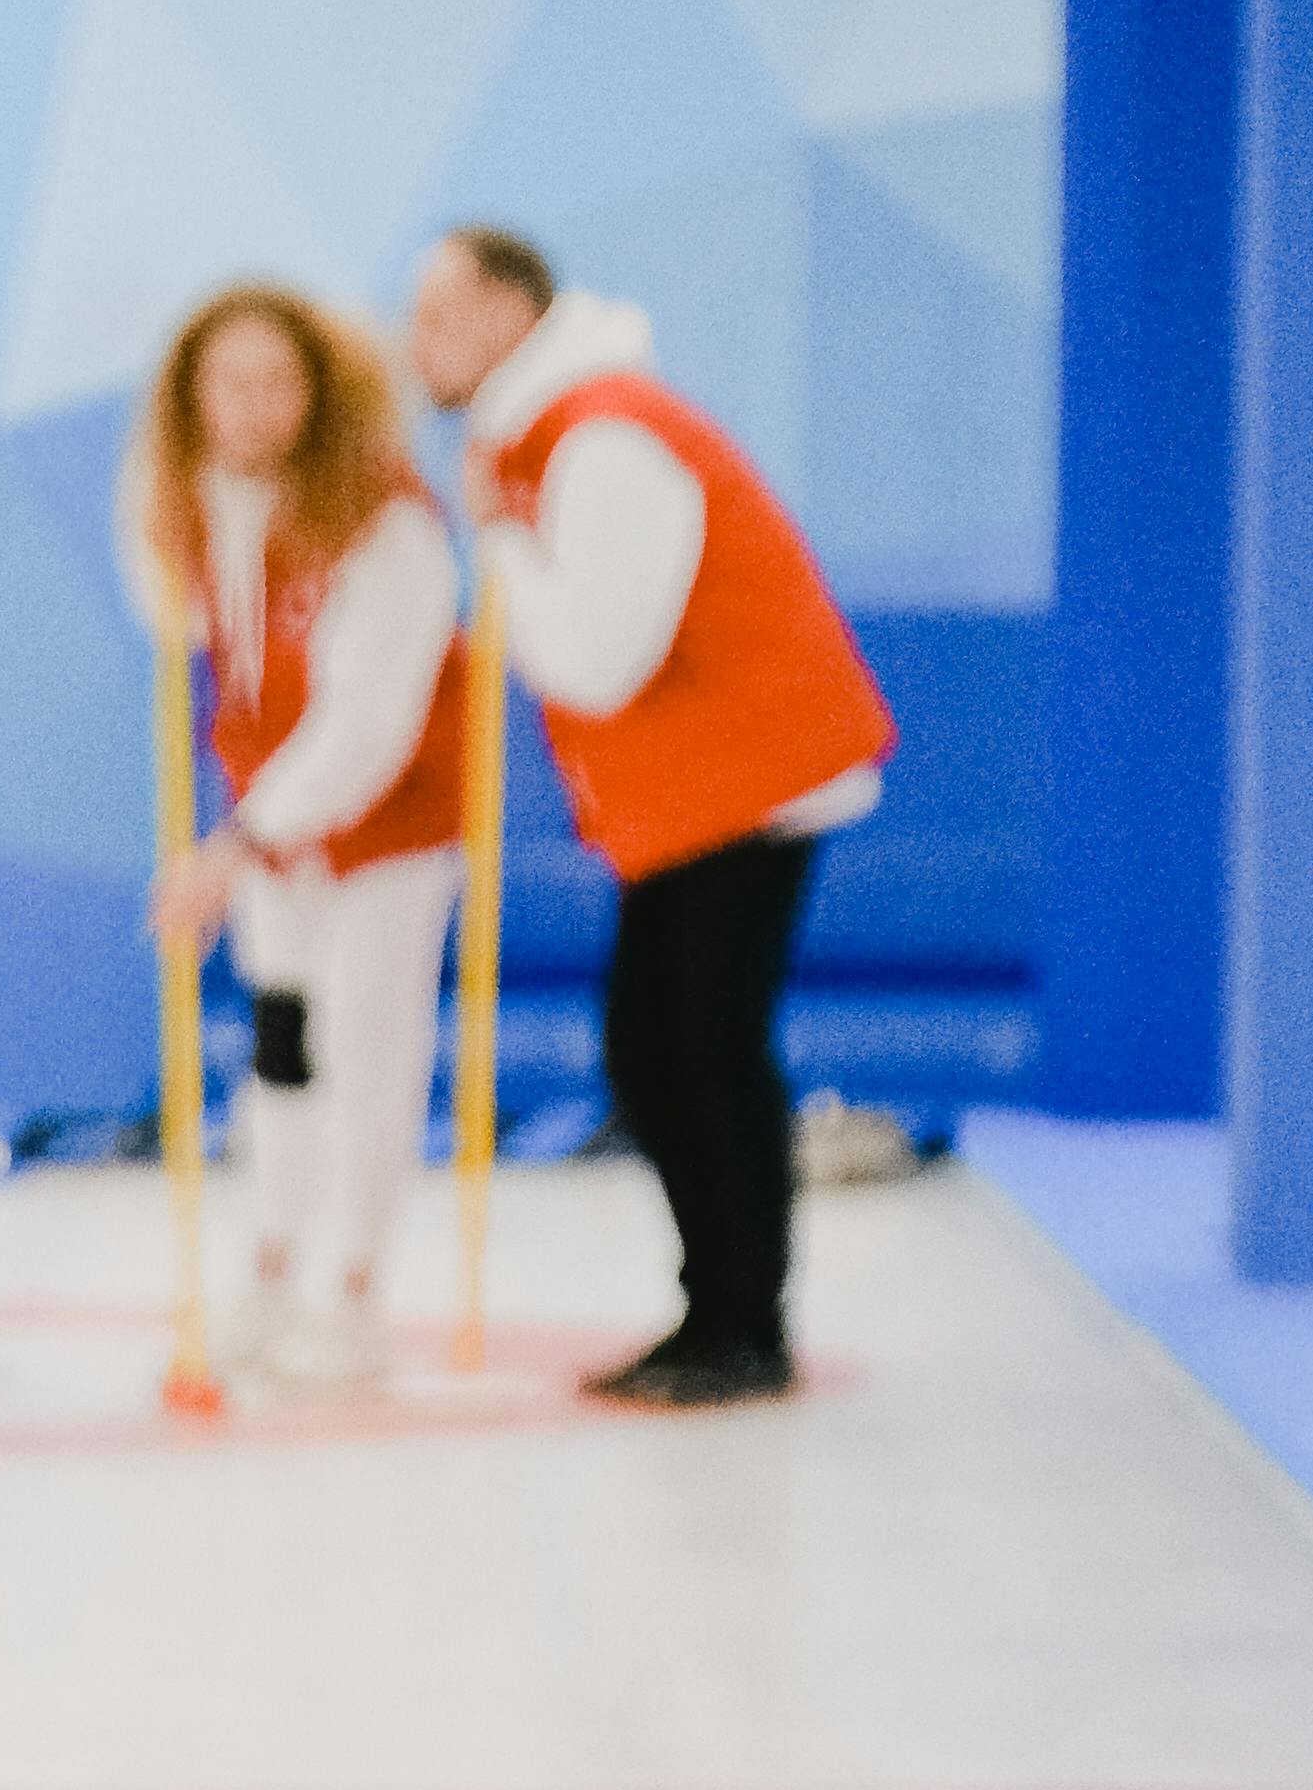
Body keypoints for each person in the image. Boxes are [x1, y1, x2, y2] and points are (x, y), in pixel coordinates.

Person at [403, 224, 894, 1407]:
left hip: (748, 789)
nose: (410, 342)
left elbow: (595, 660)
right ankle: (715, 1311)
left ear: (506, 312)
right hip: (700, 794)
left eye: (432, 315)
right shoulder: (555, 437)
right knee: (662, 1046)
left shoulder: (603, 437)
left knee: (694, 1051)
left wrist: (503, 543)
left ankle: (739, 1326)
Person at [119, 284, 468, 1393]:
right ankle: (271, 1271)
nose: (254, 406)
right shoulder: (192, 502)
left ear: (318, 391)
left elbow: (368, 719)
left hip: (384, 833)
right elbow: (187, 626)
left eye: (278, 381)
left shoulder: (386, 515)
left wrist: (236, 844)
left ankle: (353, 1290)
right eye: (229, 381)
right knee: (281, 1049)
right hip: (269, 839)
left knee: (369, 1051)